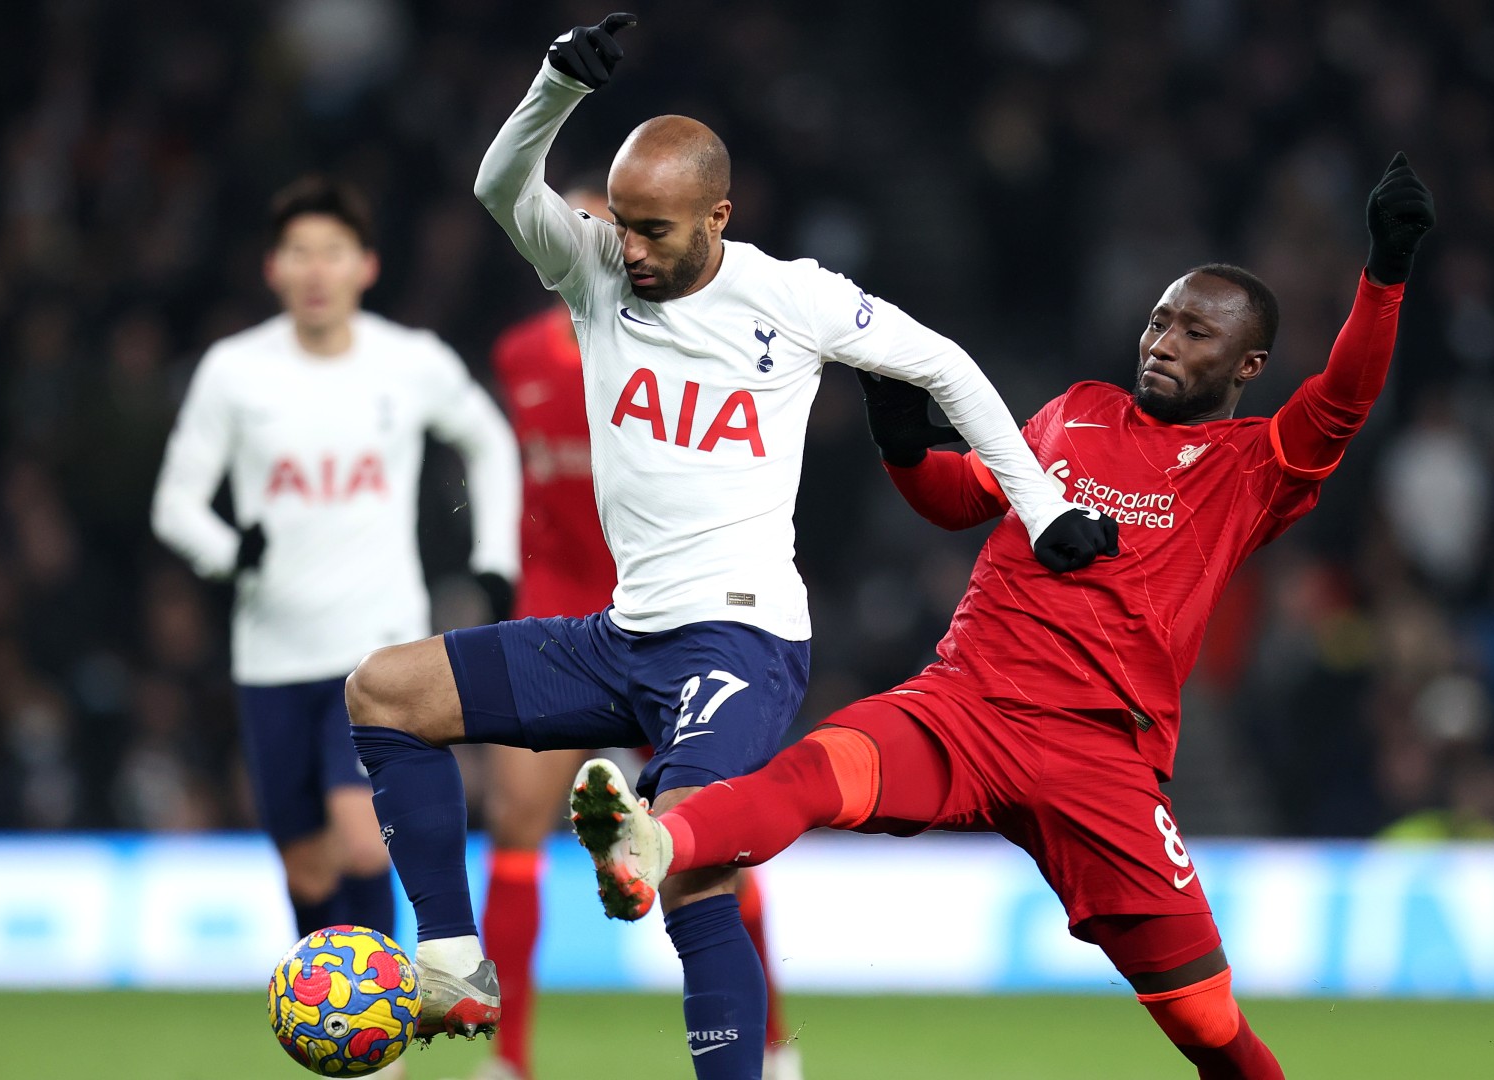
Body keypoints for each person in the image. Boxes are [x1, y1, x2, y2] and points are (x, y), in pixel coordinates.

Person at [341, 13, 1113, 1080]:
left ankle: (676, 913)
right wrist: (555, 86)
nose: (634, 250)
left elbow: (942, 366)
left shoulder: (794, 298)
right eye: (622, 224)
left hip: (739, 643)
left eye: (657, 230)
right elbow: (497, 187)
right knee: (384, 690)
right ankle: (452, 960)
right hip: (620, 637)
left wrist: (1036, 506)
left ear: (719, 214)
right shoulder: (597, 271)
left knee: (692, 861)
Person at [570, 154, 1437, 1080]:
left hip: (1099, 757)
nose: (1164, 341)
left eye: (1195, 331)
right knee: (811, 775)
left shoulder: (1252, 466)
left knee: (1209, 1026)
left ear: (1248, 365)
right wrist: (904, 447)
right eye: (1158, 321)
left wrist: (1383, 274)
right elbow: (961, 498)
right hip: (965, 707)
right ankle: (654, 842)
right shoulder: (1077, 414)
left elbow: (1343, 400)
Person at [476, 184, 803, 1080]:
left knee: (711, 832)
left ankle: (774, 1045)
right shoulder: (517, 356)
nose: (610, 246)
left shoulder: (680, 345)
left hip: (673, 610)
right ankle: (507, 1061)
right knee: (514, 821)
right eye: (590, 227)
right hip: (557, 601)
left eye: (617, 230)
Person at [150, 176, 520, 964]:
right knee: (307, 867)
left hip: (376, 651)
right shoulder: (234, 371)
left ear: (367, 266)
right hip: (272, 654)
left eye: (333, 253)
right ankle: (346, 1035)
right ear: (273, 269)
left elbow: (488, 440)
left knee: (361, 842)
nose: (316, 270)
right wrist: (227, 552)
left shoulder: (408, 361)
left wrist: (495, 563)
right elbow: (175, 503)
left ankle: (378, 1039)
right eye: (299, 253)